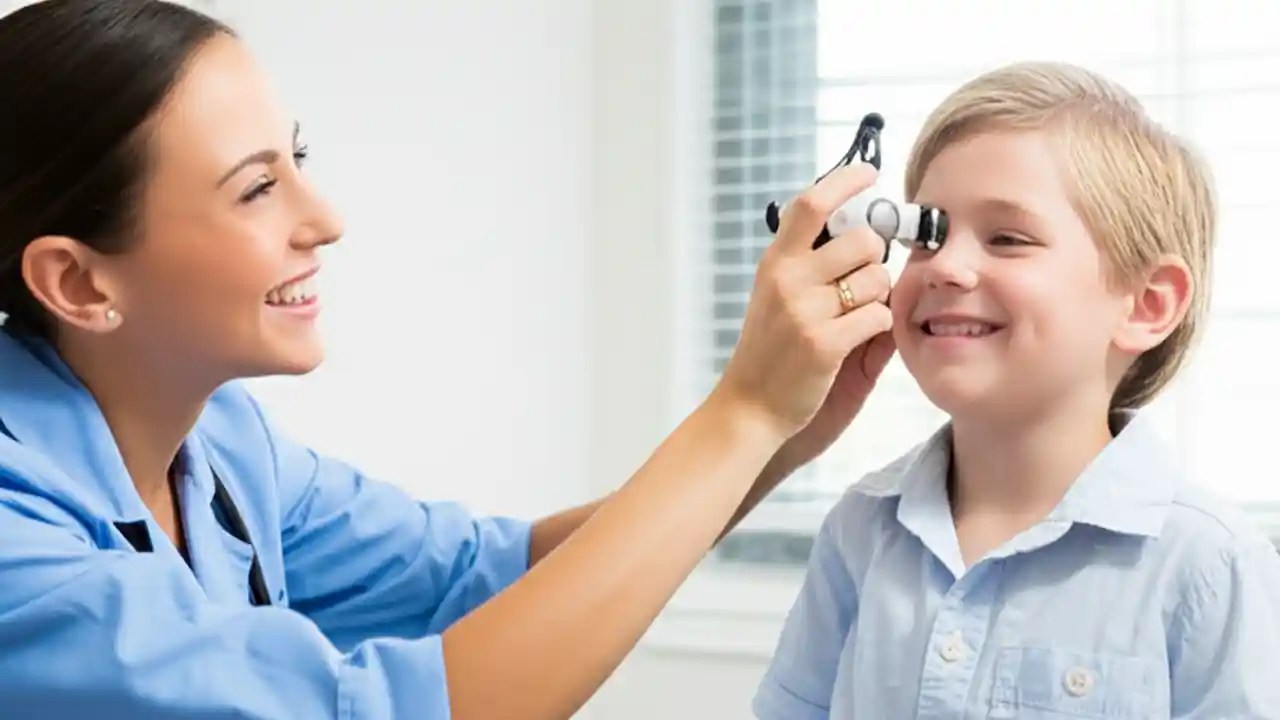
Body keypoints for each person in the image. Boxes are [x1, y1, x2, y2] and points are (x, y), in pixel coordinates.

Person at [0, 1, 899, 718]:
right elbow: (391, 710)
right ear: (77, 283)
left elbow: (493, 572)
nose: (325, 220)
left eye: (298, 159)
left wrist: (781, 435)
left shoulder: (227, 448)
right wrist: (739, 415)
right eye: (258, 187)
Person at [753, 62, 1280, 719]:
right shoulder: (860, 533)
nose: (945, 265)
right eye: (929, 235)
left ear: (1146, 305)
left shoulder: (1208, 567)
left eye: (1007, 239)